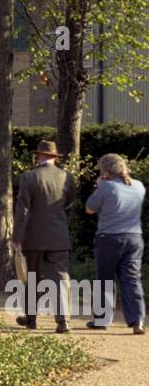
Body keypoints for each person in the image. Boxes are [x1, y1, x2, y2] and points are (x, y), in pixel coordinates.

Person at [12, 139, 76, 333]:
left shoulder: (29, 177)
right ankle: (63, 321)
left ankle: (31, 318)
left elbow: (22, 209)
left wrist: (17, 237)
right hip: (58, 235)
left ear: (38, 156)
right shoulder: (67, 177)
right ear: (55, 157)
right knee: (60, 278)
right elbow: (69, 203)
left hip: (33, 236)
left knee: (32, 278)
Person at [84, 154, 146, 333]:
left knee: (105, 279)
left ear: (105, 170)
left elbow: (89, 208)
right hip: (134, 237)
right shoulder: (139, 186)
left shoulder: (107, 187)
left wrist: (99, 185)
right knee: (132, 279)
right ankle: (137, 320)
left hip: (109, 237)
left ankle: (102, 319)